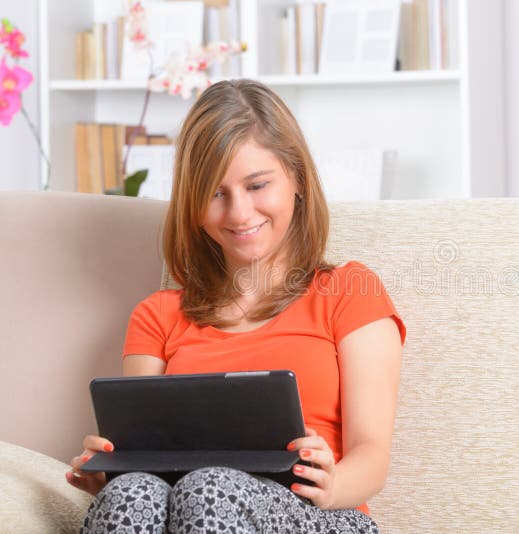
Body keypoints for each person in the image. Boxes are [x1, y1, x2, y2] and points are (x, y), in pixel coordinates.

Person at [65, 79, 405, 533]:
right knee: (132, 493)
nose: (240, 213)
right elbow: (140, 454)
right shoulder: (157, 316)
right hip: (191, 509)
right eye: (215, 193)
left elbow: (373, 455)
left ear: (298, 179)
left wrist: (333, 482)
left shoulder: (349, 290)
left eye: (257, 185)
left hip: (319, 514)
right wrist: (109, 470)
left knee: (208, 487)